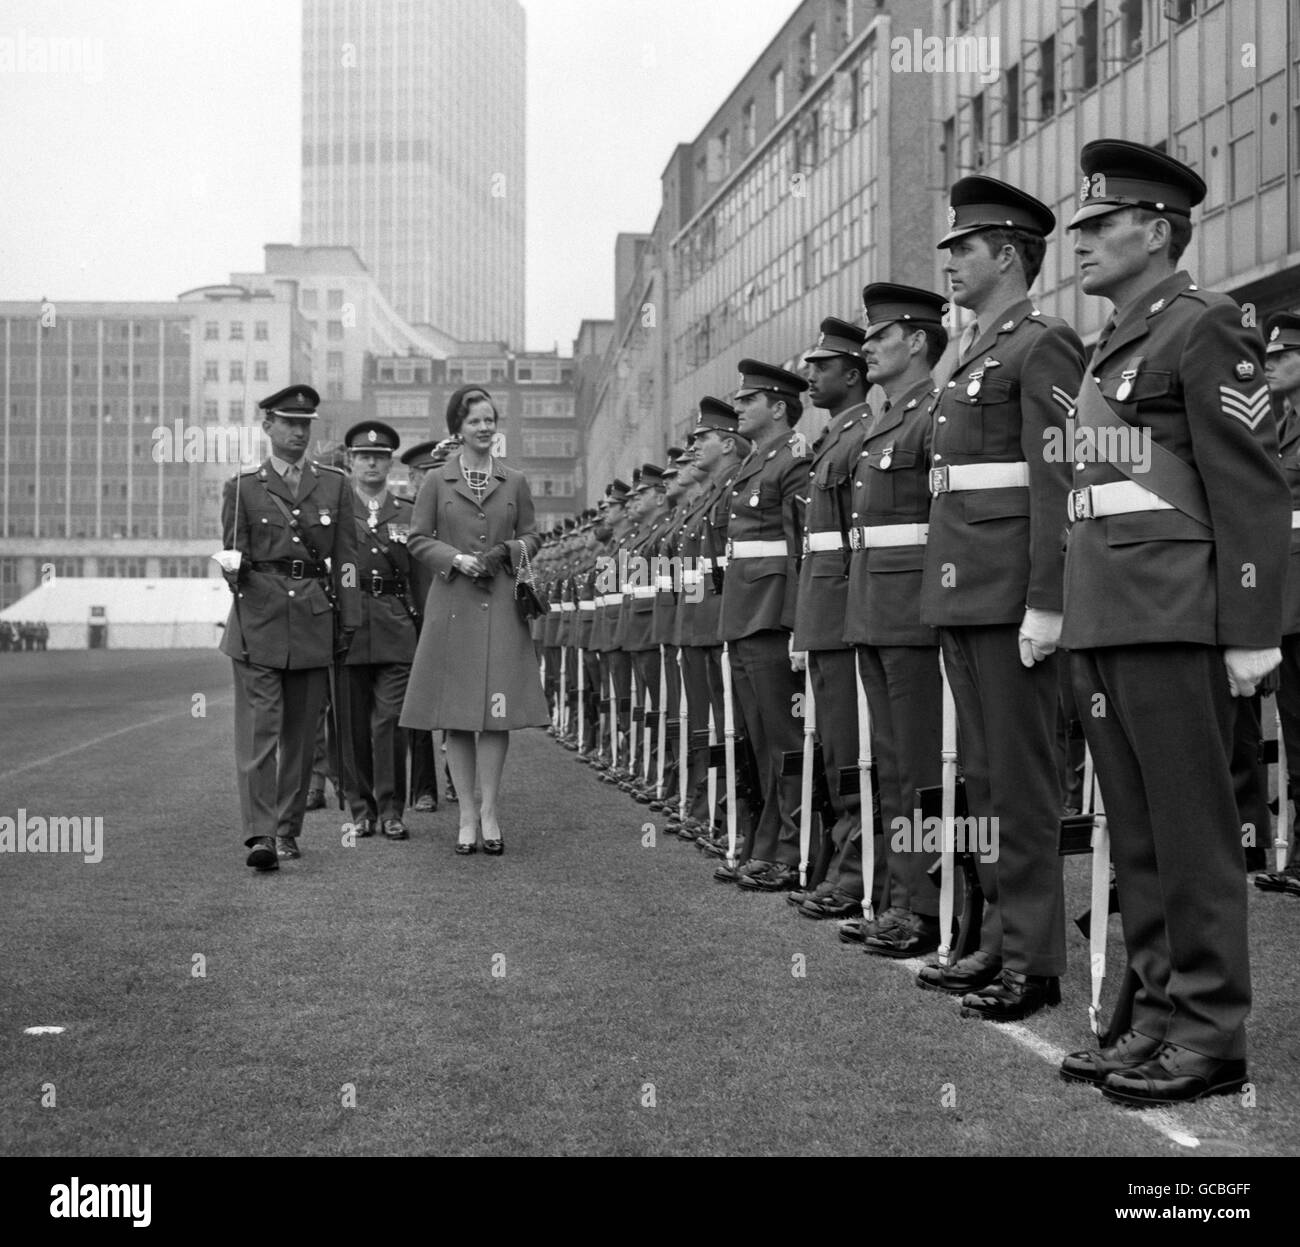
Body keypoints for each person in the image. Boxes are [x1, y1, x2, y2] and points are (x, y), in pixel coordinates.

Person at [1058, 140, 1289, 1104]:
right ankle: (1154, 1011)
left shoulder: (1205, 329)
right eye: (1079, 227)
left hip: (1175, 614)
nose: (1080, 242)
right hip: (1108, 613)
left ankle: (1210, 1029)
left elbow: (1248, 487)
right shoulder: (1112, 344)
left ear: (1156, 232)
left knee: (1192, 833)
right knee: (1140, 833)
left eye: (1101, 226)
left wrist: (1249, 626)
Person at [920, 175, 1085, 1019]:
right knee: (982, 782)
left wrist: (1047, 602)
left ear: (1010, 256)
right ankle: (993, 938)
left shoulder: (1041, 344)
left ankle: (1034, 959)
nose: (950, 261)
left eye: (964, 248)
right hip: (962, 594)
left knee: (1019, 784)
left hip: (1009, 599)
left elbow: (1057, 483)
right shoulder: (979, 350)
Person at [842, 283, 949, 956]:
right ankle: (899, 896)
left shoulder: (933, 413)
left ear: (915, 342)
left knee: (921, 769)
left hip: (912, 611)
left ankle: (928, 902)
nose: (868, 347)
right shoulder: (888, 417)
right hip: (874, 608)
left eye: (879, 337)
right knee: (889, 764)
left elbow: (945, 519)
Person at [398, 387, 548, 855]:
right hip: (454, 604)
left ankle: (490, 811)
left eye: (490, 420)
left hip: (502, 603)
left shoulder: (515, 480)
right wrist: (455, 558)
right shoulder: (436, 482)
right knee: (458, 717)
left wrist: (509, 551)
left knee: (496, 716)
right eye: (475, 421)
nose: (485, 428)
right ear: (457, 429)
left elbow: (533, 536)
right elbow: (417, 539)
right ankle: (465, 812)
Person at [220, 384, 361, 871]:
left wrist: (351, 620)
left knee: (301, 737)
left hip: (314, 622)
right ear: (268, 427)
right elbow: (233, 556)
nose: (299, 432)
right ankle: (260, 833)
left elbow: (345, 561)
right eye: (289, 423)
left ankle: (286, 830)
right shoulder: (242, 487)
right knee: (260, 733)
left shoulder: (334, 484)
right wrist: (231, 571)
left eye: (306, 425)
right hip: (258, 621)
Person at [715, 359, 811, 892]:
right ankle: (768, 843)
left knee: (785, 743)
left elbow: (802, 549)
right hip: (747, 616)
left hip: (773, 617)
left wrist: (800, 624)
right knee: (760, 744)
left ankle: (792, 852)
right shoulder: (756, 464)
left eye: (748, 400)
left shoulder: (791, 462)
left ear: (778, 408)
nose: (739, 407)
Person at [789, 317, 873, 918]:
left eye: (822, 366)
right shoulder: (831, 441)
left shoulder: (863, 435)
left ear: (853, 372)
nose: (809, 375)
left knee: (855, 756)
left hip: (849, 617)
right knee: (837, 753)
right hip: (826, 617)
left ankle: (855, 872)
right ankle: (844, 863)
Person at [340, 420, 419, 841]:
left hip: (395, 627)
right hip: (348, 628)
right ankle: (361, 809)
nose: (371, 462)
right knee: (352, 726)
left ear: (390, 463)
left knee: (389, 722)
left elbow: (421, 577)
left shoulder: (408, 512)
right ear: (350, 462)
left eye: (379, 456)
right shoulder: (335, 510)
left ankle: (391, 809)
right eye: (363, 456)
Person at [1258, 311, 1300, 895]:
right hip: (1286, 600)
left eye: (1281, 356)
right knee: (1295, 728)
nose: (1267, 364)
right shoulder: (1277, 426)